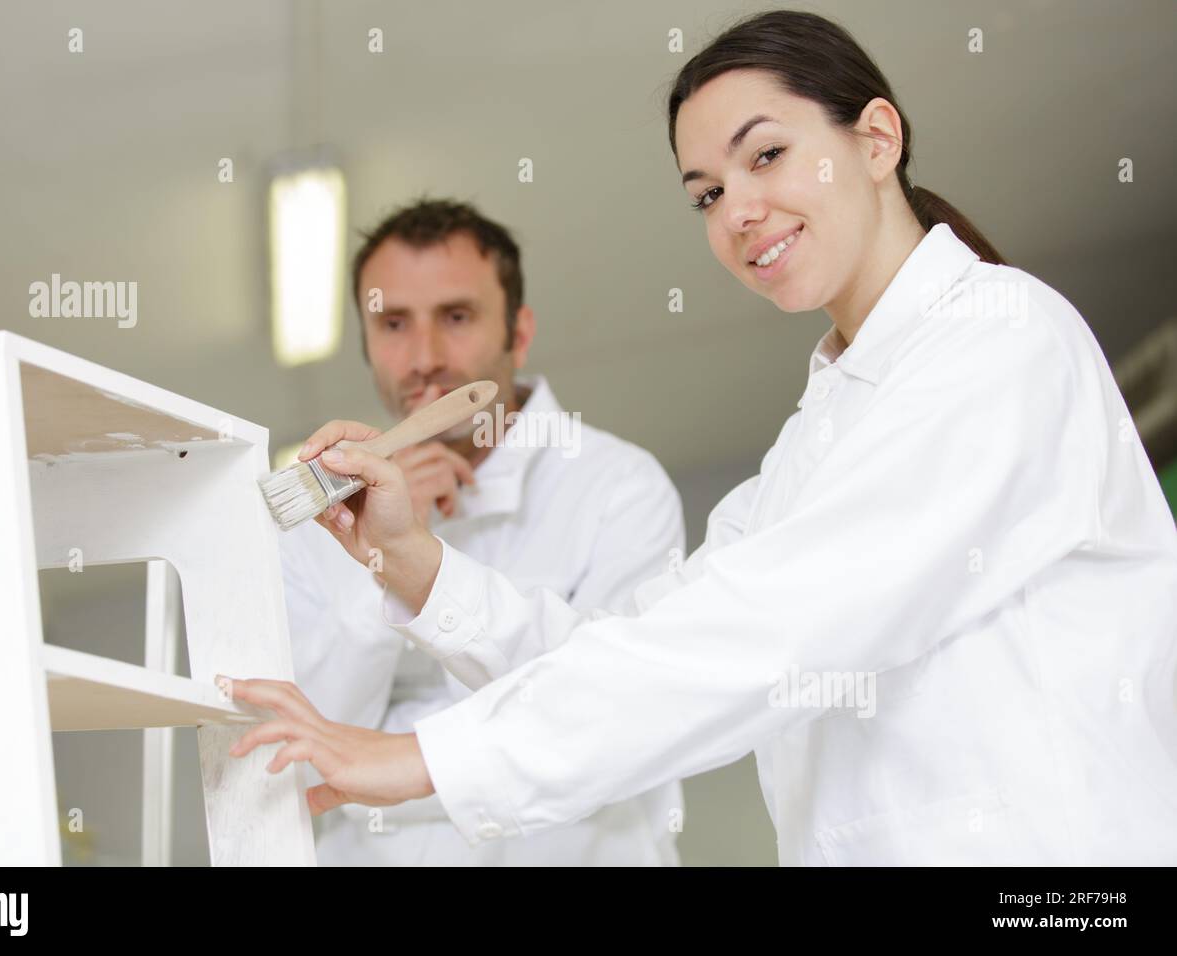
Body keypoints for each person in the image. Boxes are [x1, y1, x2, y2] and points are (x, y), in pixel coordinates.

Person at [229, 10, 1177, 864]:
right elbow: (640, 639)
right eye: (707, 194)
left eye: (764, 156)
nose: (738, 212)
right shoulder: (819, 435)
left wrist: (426, 755)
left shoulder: (997, 339)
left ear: (876, 138)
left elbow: (772, 632)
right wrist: (413, 563)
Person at [277, 198, 687, 865]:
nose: (425, 358)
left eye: (457, 318)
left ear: (518, 333)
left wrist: (396, 749)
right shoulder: (311, 523)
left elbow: (613, 726)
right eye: (392, 324)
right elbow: (301, 760)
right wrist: (379, 558)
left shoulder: (619, 489)